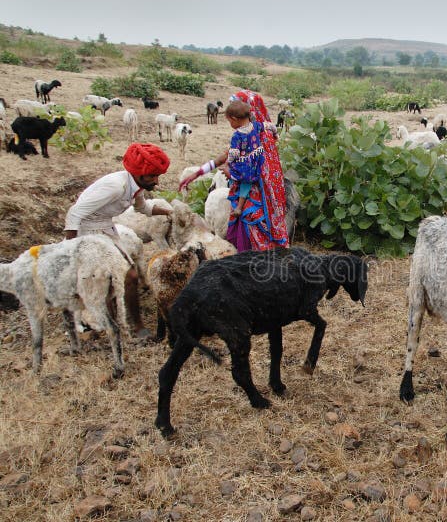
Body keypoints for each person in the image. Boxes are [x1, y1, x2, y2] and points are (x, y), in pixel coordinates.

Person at [64, 143, 173, 339]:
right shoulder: (115, 186)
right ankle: (118, 324)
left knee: (129, 277)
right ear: (139, 173)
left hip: (106, 227)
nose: (156, 181)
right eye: (152, 176)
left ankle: (134, 324)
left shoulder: (136, 187)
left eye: (157, 175)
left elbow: (144, 209)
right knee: (118, 278)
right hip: (88, 231)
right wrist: (70, 248)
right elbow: (75, 213)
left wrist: (170, 212)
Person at [180, 90, 288, 251]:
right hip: (247, 200)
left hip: (256, 205)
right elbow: (222, 159)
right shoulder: (254, 132)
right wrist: (196, 174)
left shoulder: (262, 139)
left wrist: (232, 174)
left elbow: (257, 175)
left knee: (254, 246)